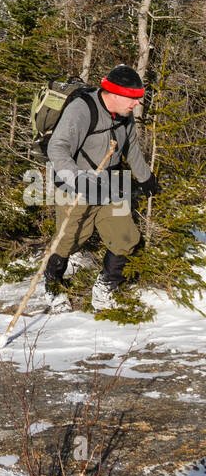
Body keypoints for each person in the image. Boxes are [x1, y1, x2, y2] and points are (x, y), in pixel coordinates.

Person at [44, 65, 159, 312]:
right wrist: (77, 179)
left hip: (109, 185)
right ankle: (52, 286)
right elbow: (57, 148)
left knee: (126, 237)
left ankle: (104, 288)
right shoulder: (81, 110)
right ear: (115, 94)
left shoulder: (124, 115)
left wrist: (145, 177)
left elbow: (131, 147)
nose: (137, 104)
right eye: (133, 98)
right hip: (75, 187)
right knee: (69, 240)